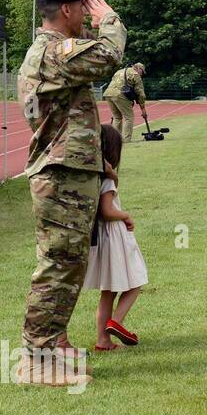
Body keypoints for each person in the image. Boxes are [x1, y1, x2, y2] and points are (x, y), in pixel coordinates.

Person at [15, 0, 126, 387]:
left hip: (68, 172)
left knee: (69, 264)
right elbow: (109, 55)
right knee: (58, 265)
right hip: (59, 177)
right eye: (84, 7)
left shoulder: (52, 52)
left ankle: (53, 346)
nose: (87, 14)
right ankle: (35, 359)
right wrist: (110, 19)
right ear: (66, 10)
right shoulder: (53, 51)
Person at [83, 125, 149, 351]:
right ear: (114, 152)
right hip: (114, 236)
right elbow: (107, 211)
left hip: (100, 238)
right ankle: (116, 322)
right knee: (137, 281)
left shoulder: (93, 177)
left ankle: (103, 341)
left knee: (107, 292)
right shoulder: (108, 180)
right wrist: (126, 215)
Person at [103, 62, 147, 142]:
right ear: (139, 68)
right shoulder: (135, 74)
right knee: (129, 117)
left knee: (117, 117)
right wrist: (143, 108)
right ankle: (126, 140)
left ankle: (114, 140)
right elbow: (140, 92)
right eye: (142, 72)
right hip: (119, 94)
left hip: (108, 94)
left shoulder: (119, 71)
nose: (142, 74)